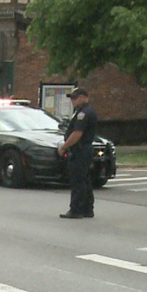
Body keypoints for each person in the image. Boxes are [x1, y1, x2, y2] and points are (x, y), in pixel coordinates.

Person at [58, 88, 98, 219]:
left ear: (83, 97)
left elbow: (77, 134)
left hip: (80, 150)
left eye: (74, 98)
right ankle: (87, 208)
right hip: (83, 150)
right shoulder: (82, 112)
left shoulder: (84, 113)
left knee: (78, 180)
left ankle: (76, 209)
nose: (72, 101)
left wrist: (64, 146)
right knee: (84, 180)